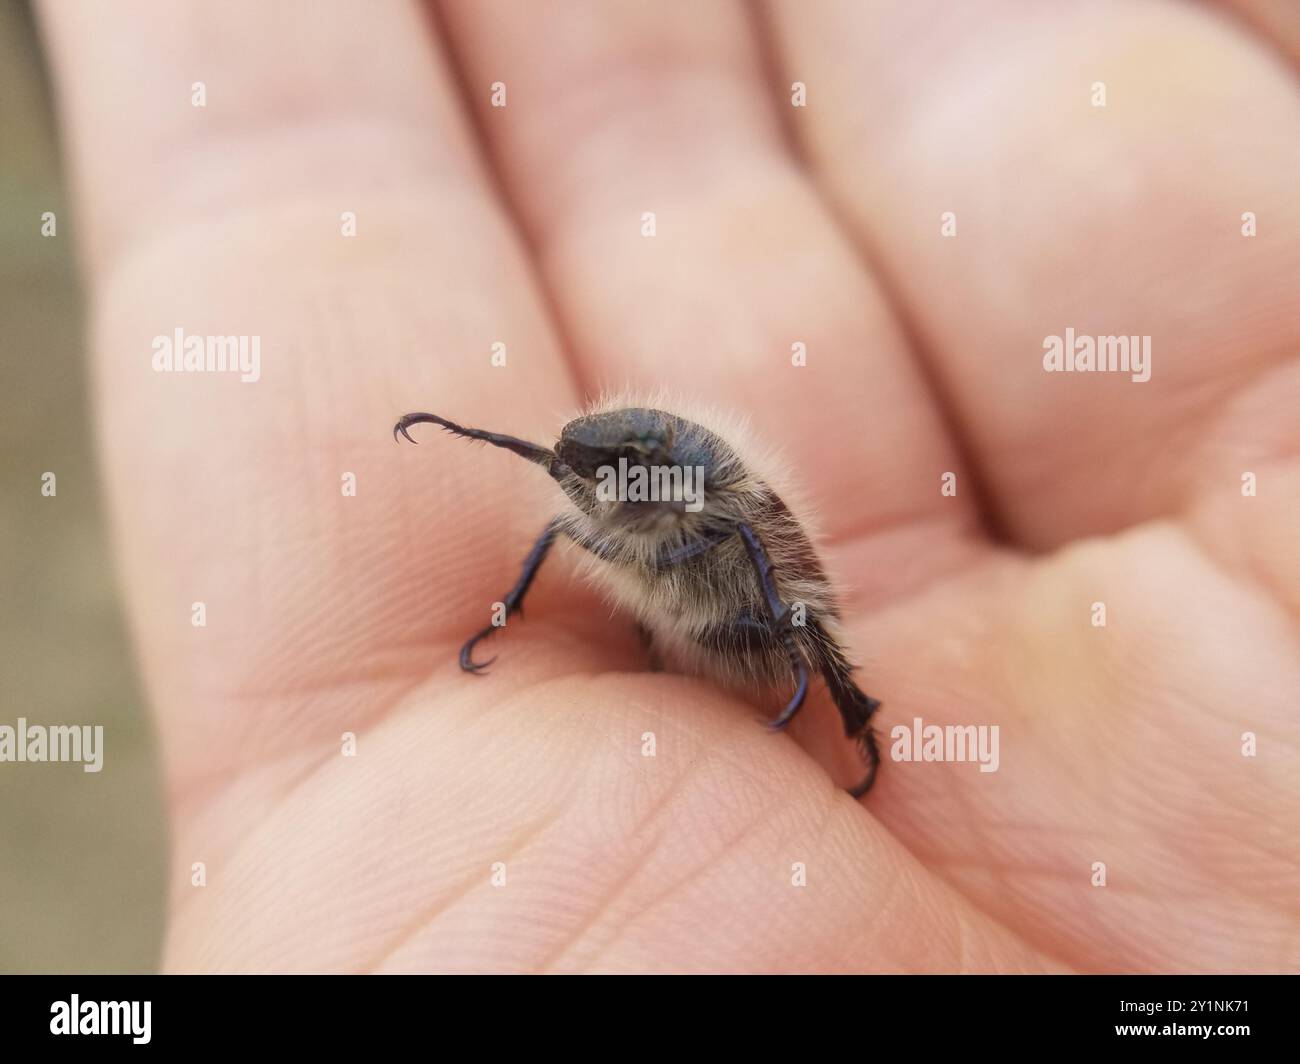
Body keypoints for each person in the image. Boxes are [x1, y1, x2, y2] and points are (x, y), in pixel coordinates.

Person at [38, 0, 1299, 972]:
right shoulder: (590, 492)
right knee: (577, 536)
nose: (574, 492)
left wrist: (816, 682)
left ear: (662, 482)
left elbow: (766, 571)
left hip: (756, 610)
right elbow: (559, 503)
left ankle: (849, 714)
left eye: (602, 481)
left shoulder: (714, 510)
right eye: (575, 476)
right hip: (671, 599)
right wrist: (508, 581)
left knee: (791, 615)